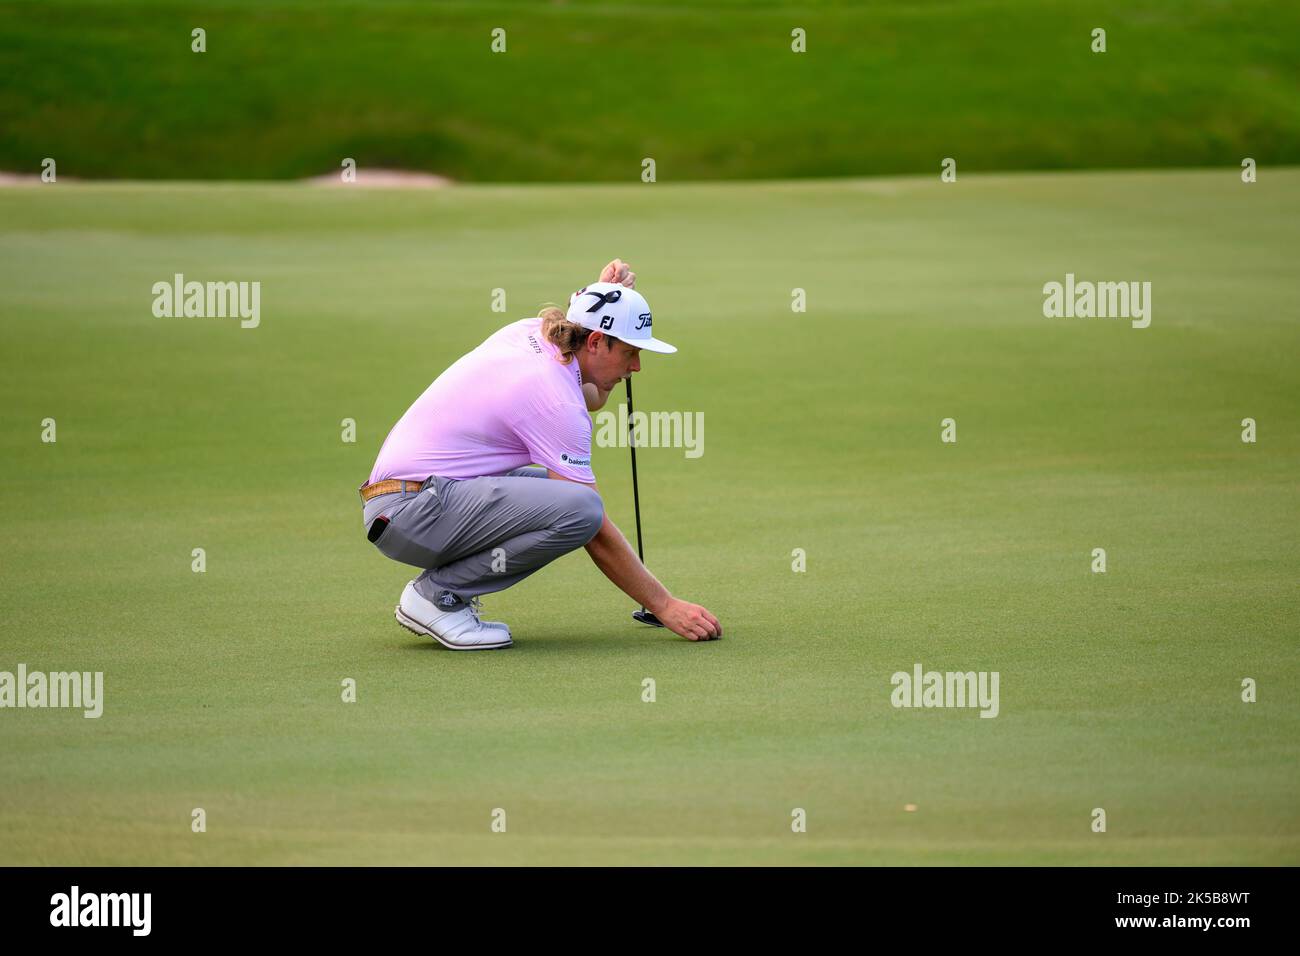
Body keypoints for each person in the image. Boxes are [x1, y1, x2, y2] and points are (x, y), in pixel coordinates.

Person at [358, 259, 723, 650]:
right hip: (411, 512)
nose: (637, 366)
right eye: (631, 353)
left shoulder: (535, 334)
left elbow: (590, 393)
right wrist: (664, 605)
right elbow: (592, 527)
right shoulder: (552, 400)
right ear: (597, 342)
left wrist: (601, 298)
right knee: (581, 508)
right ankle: (438, 597)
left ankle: (440, 594)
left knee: (559, 495)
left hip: (415, 499)